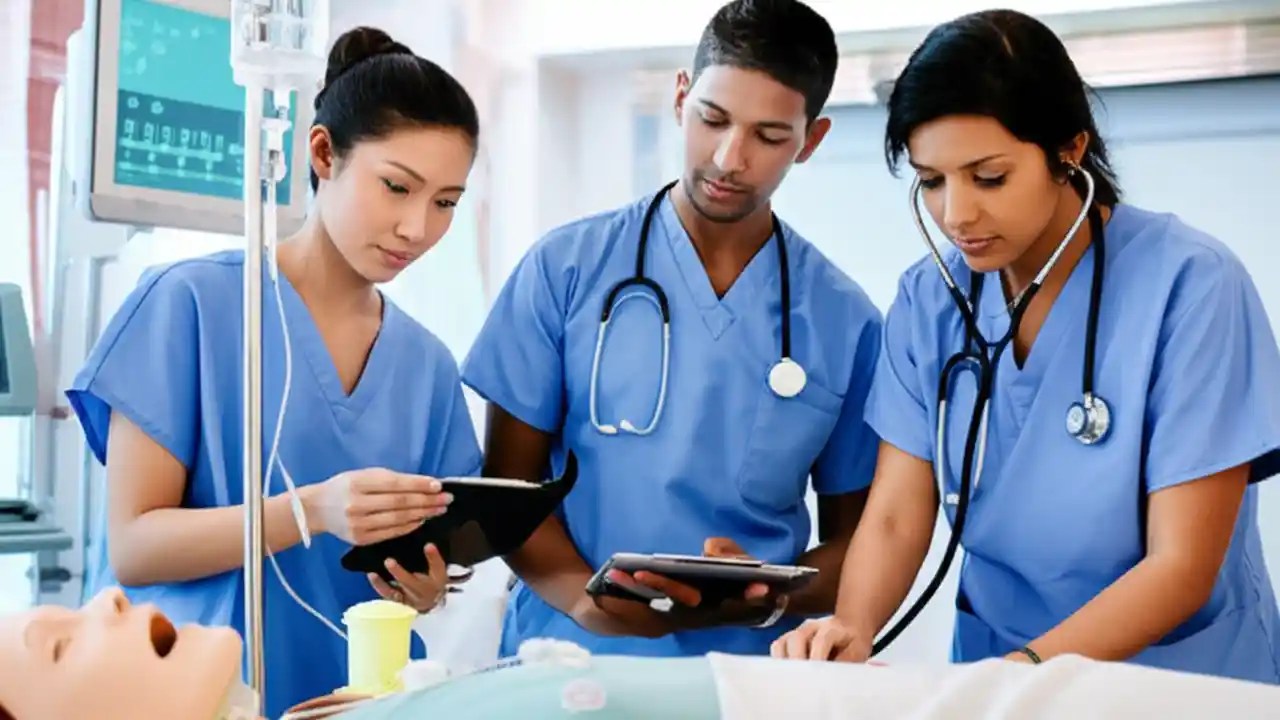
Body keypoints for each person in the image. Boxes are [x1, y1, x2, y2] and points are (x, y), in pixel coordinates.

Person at [771, 9, 1280, 684]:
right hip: (998, 670)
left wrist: (1025, 673)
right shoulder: (930, 300)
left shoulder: (1192, 288)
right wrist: (852, 626)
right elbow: (896, 514)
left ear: (1068, 150)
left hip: (1171, 677)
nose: (957, 214)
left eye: (988, 177)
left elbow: (1181, 566)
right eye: (931, 180)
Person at [65, 27, 485, 717]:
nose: (417, 227)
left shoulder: (428, 366)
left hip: (354, 701)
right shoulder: (191, 305)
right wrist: (311, 510)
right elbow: (136, 546)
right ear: (322, 153)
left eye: (444, 202)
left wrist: (424, 587)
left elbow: (421, 558)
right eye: (396, 187)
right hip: (190, 694)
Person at [462, 0, 882, 659]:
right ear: (681, 98)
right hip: (570, 659)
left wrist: (776, 596)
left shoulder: (845, 321)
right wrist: (582, 600)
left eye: (769, 136)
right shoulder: (565, 269)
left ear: (813, 140)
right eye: (712, 119)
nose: (729, 157)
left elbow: (860, 544)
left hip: (748, 675)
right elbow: (509, 494)